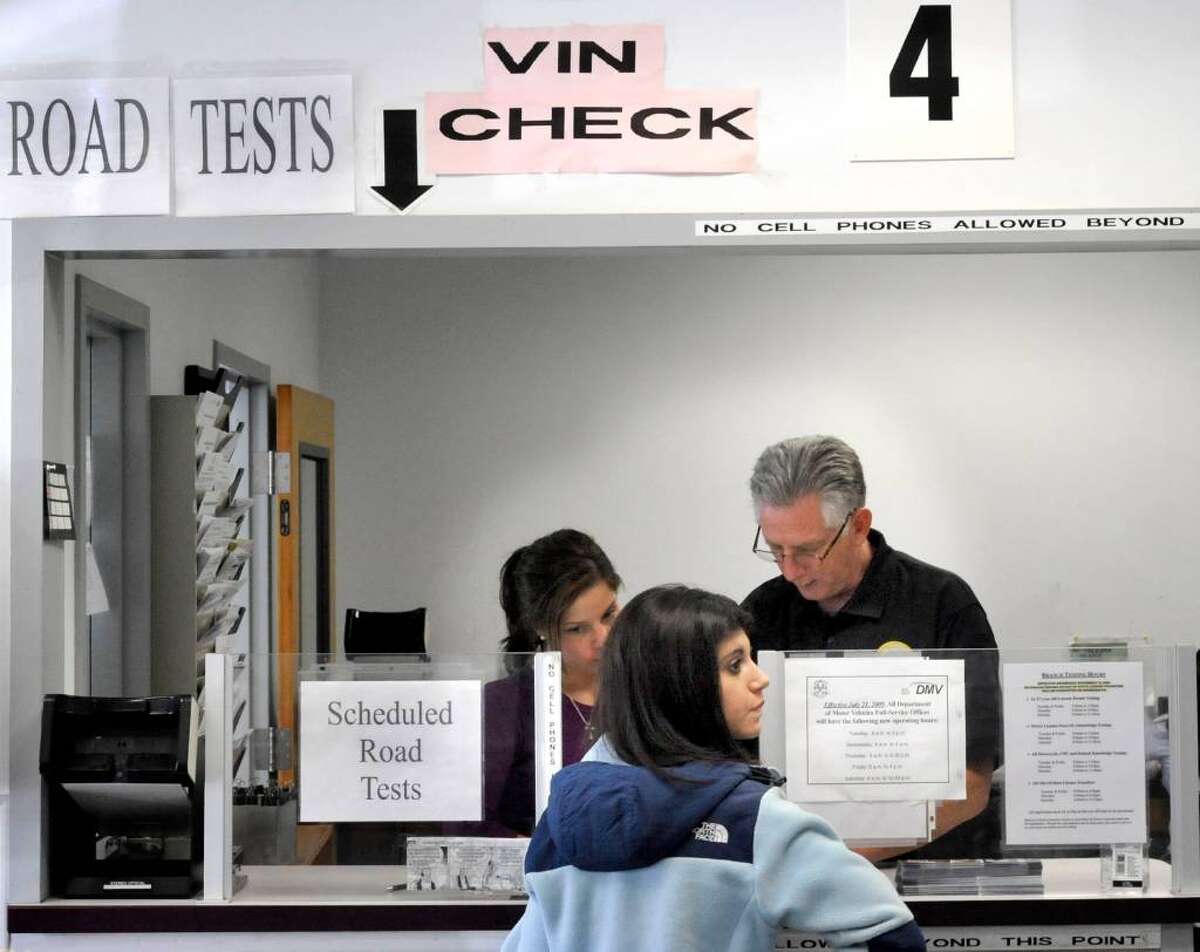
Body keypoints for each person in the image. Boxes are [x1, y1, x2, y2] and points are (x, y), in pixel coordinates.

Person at [503, 585, 925, 952]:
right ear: (682, 685)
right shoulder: (755, 820)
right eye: (735, 664)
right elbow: (889, 930)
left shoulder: (559, 823)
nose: (760, 679)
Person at [742, 435, 1000, 860]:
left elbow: (972, 782)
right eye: (775, 550)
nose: (790, 571)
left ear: (858, 524)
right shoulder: (762, 612)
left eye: (807, 551)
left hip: (925, 870)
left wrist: (844, 860)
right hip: (795, 866)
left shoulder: (942, 604)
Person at [483, 528, 621, 836]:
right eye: (577, 629)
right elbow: (467, 825)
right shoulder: (505, 705)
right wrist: (543, 858)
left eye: (609, 614)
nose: (603, 638)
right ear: (541, 628)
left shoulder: (643, 691)